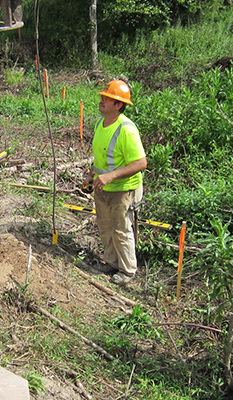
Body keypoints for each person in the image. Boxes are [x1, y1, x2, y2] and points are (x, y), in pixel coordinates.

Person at [83, 80, 147, 285]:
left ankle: (127, 271)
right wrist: (91, 174)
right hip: (103, 189)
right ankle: (111, 262)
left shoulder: (126, 129)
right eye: (102, 97)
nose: (101, 101)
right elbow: (101, 156)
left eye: (107, 99)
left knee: (121, 229)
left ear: (118, 105)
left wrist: (111, 177)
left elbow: (140, 163)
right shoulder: (100, 124)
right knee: (104, 226)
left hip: (122, 190)